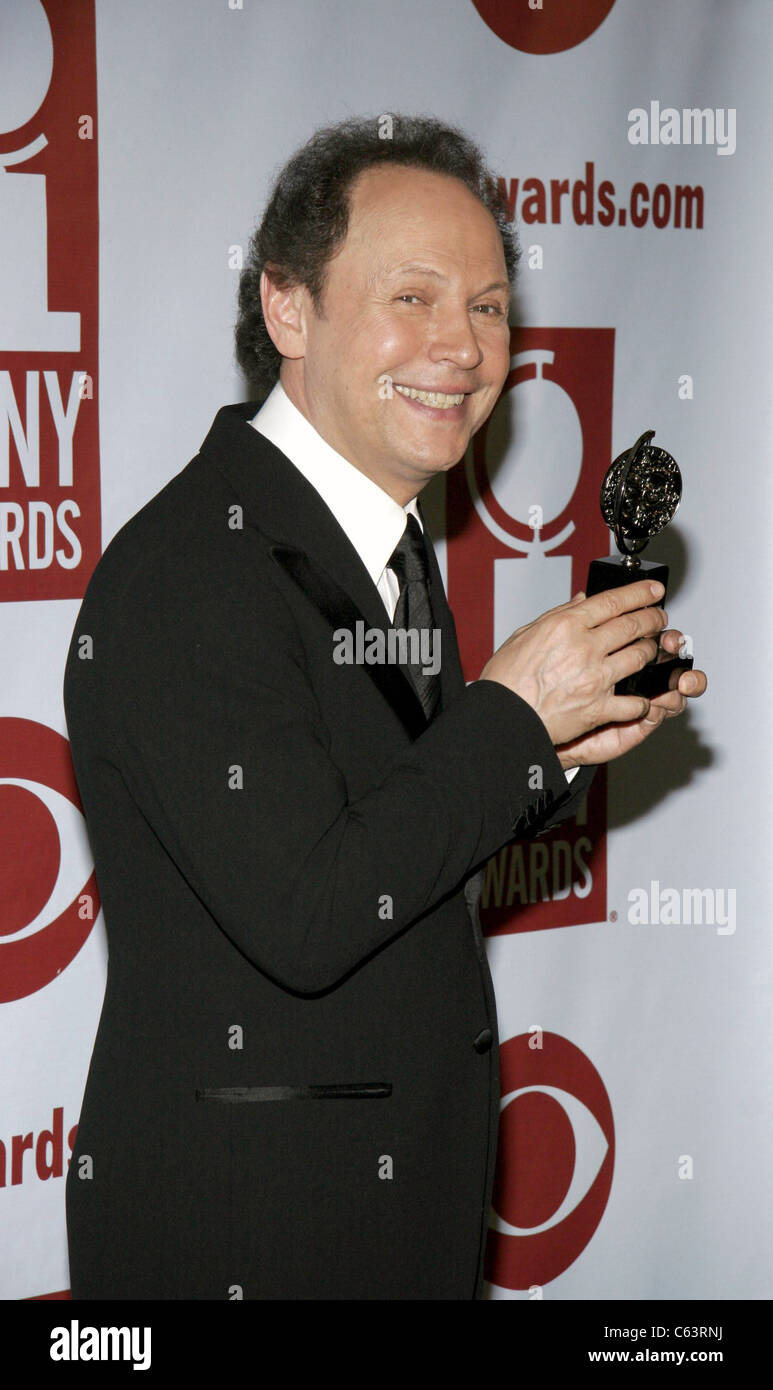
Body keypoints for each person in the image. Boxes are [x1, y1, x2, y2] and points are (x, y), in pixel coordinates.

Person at [64, 115, 706, 1300]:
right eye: (411, 297)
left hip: (393, 1220)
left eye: (486, 305)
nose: (461, 347)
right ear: (287, 309)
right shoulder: (189, 576)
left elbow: (382, 831)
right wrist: (511, 717)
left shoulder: (381, 547)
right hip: (250, 1232)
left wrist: (551, 747)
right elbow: (309, 912)